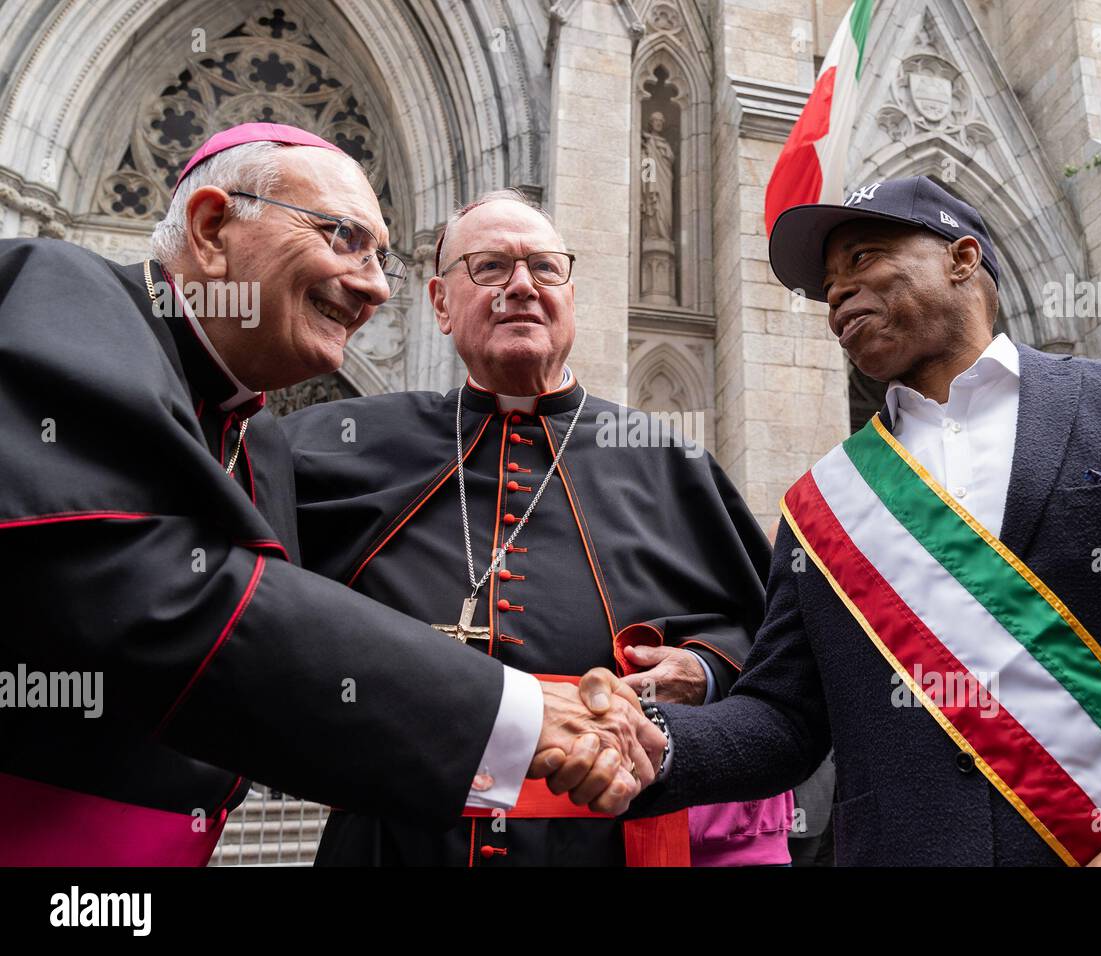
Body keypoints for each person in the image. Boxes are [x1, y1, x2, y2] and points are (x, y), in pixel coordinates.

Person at [0, 124, 657, 866]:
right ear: (212, 228)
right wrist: (513, 713)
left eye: (382, 257)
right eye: (342, 237)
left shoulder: (266, 445)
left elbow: (270, 705)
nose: (375, 284)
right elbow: (144, 595)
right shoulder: (54, 291)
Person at [616, 176, 1101, 866]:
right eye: (827, 285)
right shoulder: (821, 504)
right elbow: (784, 717)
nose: (836, 296)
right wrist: (644, 740)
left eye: (862, 259)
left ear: (963, 258)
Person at [280, 188, 783, 866]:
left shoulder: (668, 459)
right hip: (391, 842)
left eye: (545, 268)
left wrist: (702, 669)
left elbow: (769, 637)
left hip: (606, 846)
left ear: (570, 295)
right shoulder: (337, 447)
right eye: (489, 267)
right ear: (438, 303)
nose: (521, 286)